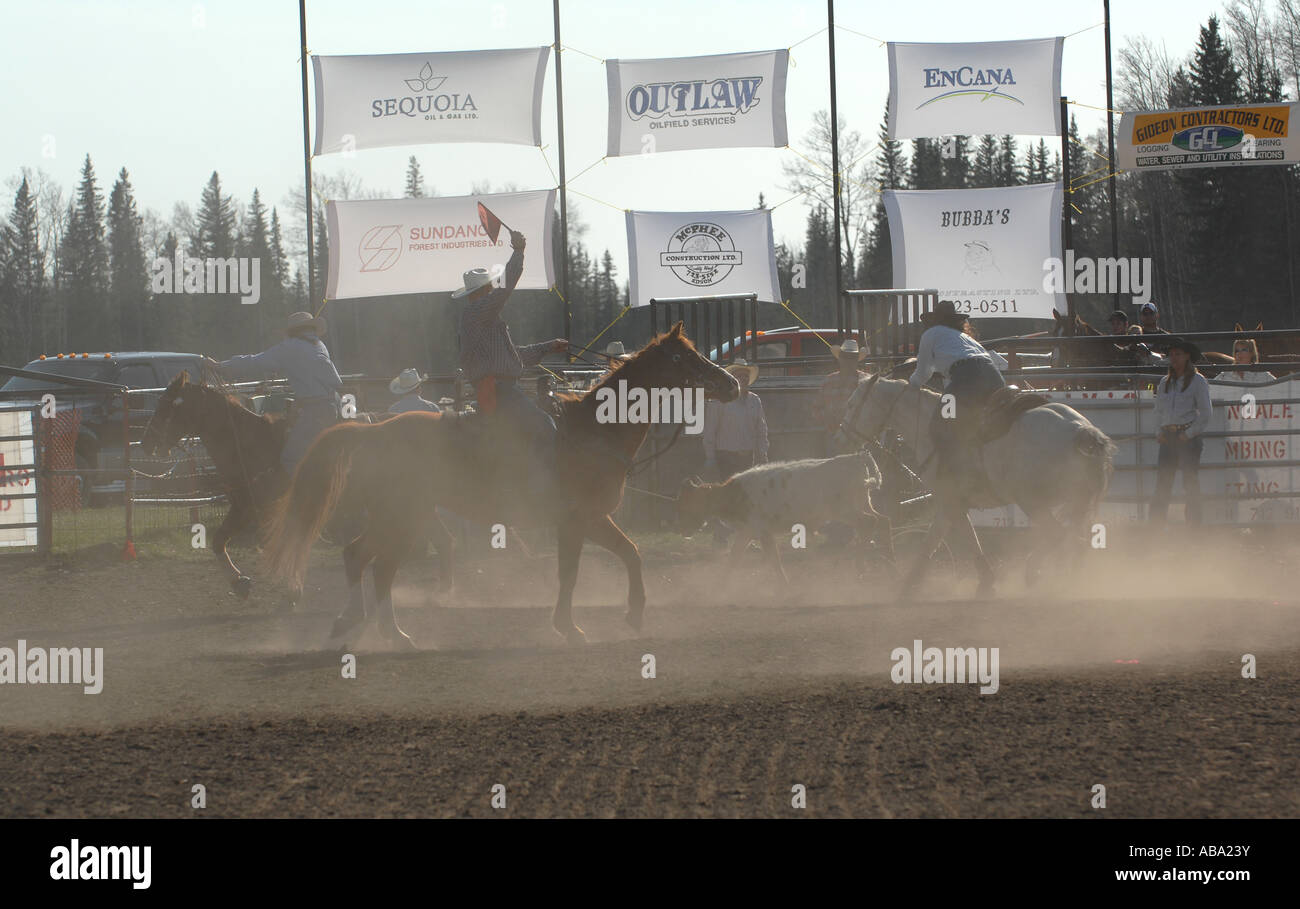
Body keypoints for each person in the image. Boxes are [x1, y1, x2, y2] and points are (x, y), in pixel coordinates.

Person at [454, 229, 568, 499]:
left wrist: (548, 347)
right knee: (545, 426)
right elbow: (506, 289)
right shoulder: (477, 312)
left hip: (498, 390)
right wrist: (518, 252)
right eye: (490, 288)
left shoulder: (480, 318)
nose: (494, 291)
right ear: (483, 291)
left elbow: (513, 357)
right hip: (501, 392)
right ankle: (546, 490)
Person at [219, 311, 343, 476]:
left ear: (292, 331)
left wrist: (221, 367)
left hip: (316, 411)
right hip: (334, 404)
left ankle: (302, 491)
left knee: (291, 459)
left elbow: (255, 362)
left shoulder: (291, 347)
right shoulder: (318, 344)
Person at [910, 299, 1006, 477]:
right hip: (994, 379)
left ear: (934, 319)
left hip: (965, 380)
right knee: (977, 422)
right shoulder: (965, 338)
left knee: (941, 424)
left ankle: (951, 475)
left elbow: (923, 374)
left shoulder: (931, 334)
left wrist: (911, 384)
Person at [703, 358, 769, 546]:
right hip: (725, 455)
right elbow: (710, 430)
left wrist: (762, 453)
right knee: (727, 497)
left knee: (746, 498)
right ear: (733, 378)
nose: (743, 379)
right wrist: (710, 458)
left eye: (745, 376)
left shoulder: (754, 401)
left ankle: (743, 539)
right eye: (739, 376)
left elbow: (761, 430)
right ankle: (721, 535)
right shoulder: (721, 401)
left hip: (747, 456)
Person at [1149, 337, 1212, 526]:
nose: (1174, 358)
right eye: (1172, 355)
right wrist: (1158, 431)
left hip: (1187, 437)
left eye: (1178, 354)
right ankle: (1156, 526)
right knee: (1163, 483)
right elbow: (1158, 411)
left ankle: (1193, 526)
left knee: (1189, 483)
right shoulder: (1164, 382)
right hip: (1169, 436)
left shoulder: (1198, 381)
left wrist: (1189, 433)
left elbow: (1206, 413)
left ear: (1187, 357)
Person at [813, 338, 870, 452]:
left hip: (858, 437)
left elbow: (871, 410)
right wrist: (827, 418)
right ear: (840, 359)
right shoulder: (828, 381)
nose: (848, 361)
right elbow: (816, 409)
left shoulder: (865, 381)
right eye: (846, 357)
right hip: (833, 435)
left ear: (856, 360)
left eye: (852, 357)